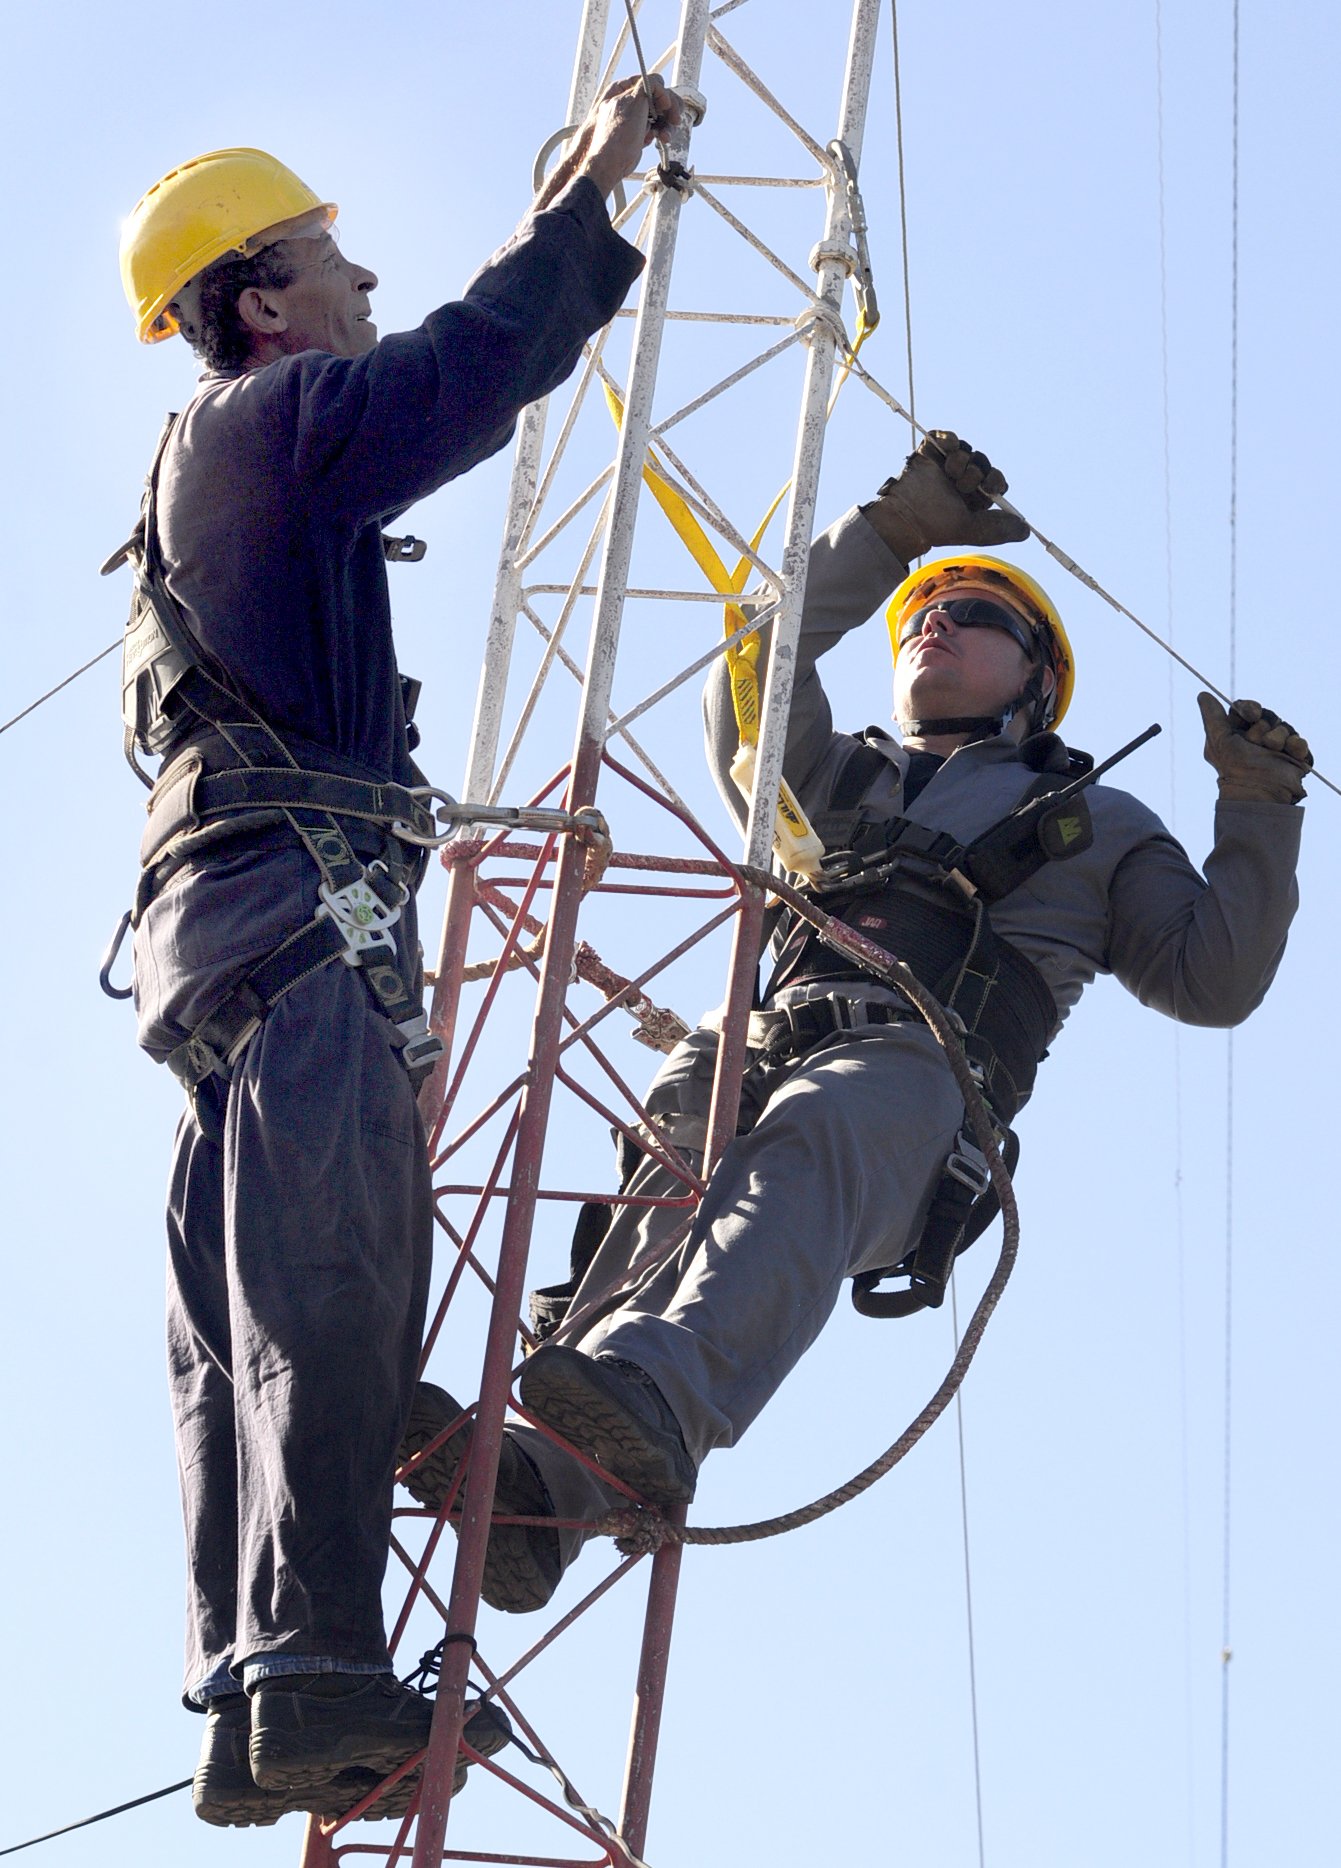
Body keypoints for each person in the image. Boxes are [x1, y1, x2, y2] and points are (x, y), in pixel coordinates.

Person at [401, 432, 1311, 1614]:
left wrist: (1258, 802)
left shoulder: (1099, 821)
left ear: (1037, 682)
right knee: (670, 1163)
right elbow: (754, 668)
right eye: (920, 616)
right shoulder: (833, 777)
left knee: (814, 1139)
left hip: (919, 1074)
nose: (934, 626)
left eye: (975, 616)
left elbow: (1215, 975)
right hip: (765, 1036)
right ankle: (544, 1487)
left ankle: (658, 1401)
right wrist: (895, 532)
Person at [112, 75, 681, 1829]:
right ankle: (313, 1673)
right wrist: (582, 205)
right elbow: (465, 371)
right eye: (326, 260)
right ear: (260, 303)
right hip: (298, 922)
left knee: (243, 1321)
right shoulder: (267, 425)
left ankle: (256, 1688)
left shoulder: (213, 476)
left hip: (226, 939)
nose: (361, 282)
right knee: (334, 1282)